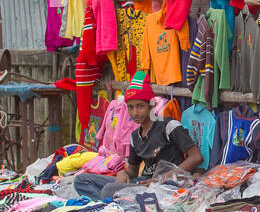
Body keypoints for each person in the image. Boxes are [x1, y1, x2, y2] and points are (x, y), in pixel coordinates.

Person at [73, 72, 203, 201]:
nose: (135, 112)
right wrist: (123, 173)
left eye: (140, 106)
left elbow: (196, 157)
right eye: (130, 107)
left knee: (108, 190)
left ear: (151, 106)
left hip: (168, 185)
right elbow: (133, 170)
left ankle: (115, 202)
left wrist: (161, 178)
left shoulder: (169, 126)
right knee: (81, 180)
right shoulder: (135, 137)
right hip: (143, 183)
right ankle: (117, 202)